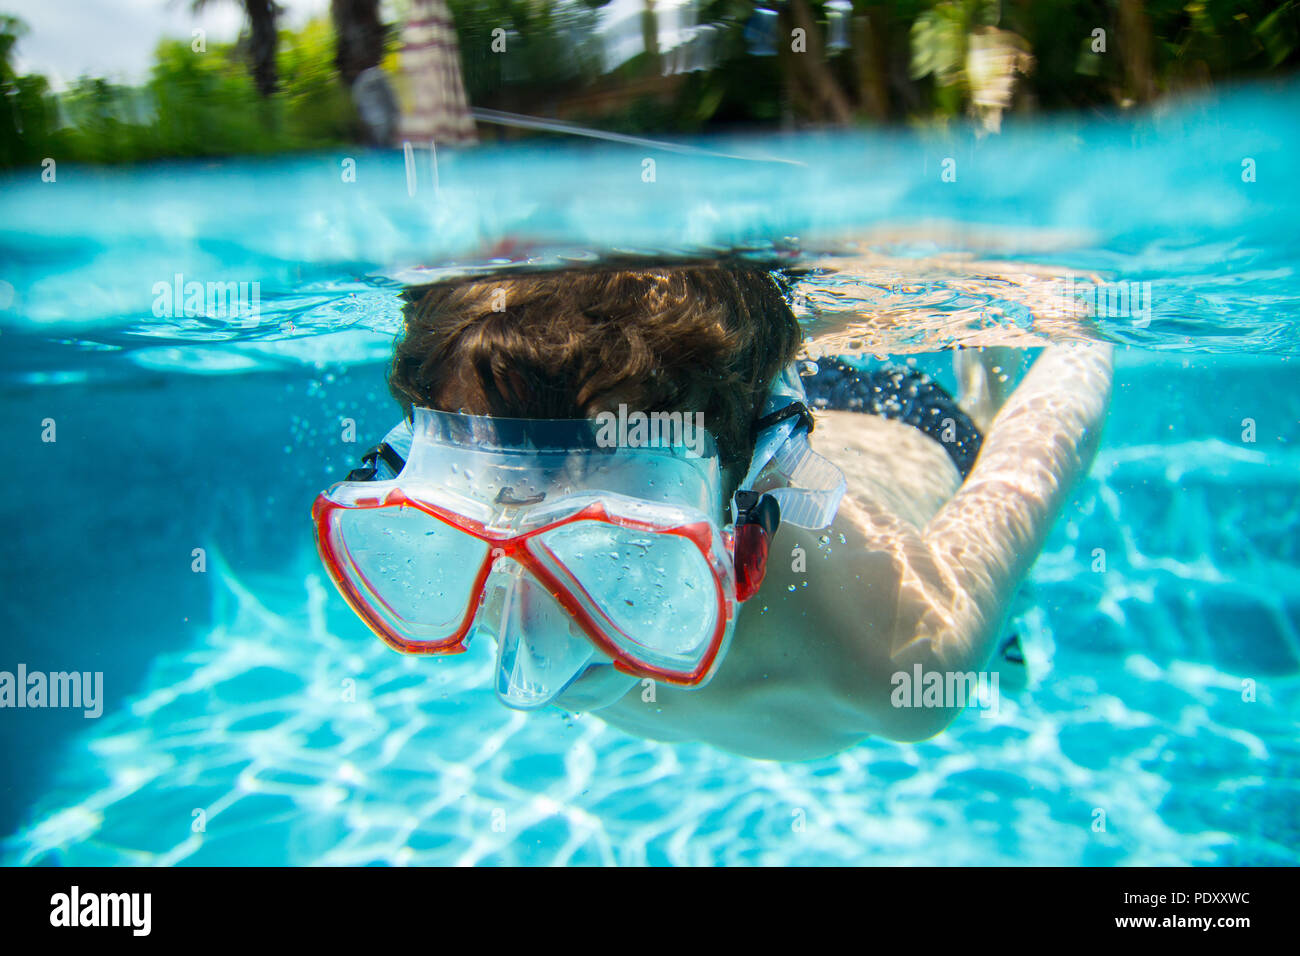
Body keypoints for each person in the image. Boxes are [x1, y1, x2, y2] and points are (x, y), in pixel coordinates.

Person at [313, 261, 1113, 760]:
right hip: (734, 423)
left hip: (903, 427)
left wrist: (1078, 317)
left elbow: (1045, 442)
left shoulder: (900, 655)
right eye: (471, 528)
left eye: (616, 554)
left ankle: (984, 360)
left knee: (997, 498)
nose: (525, 665)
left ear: (748, 552)